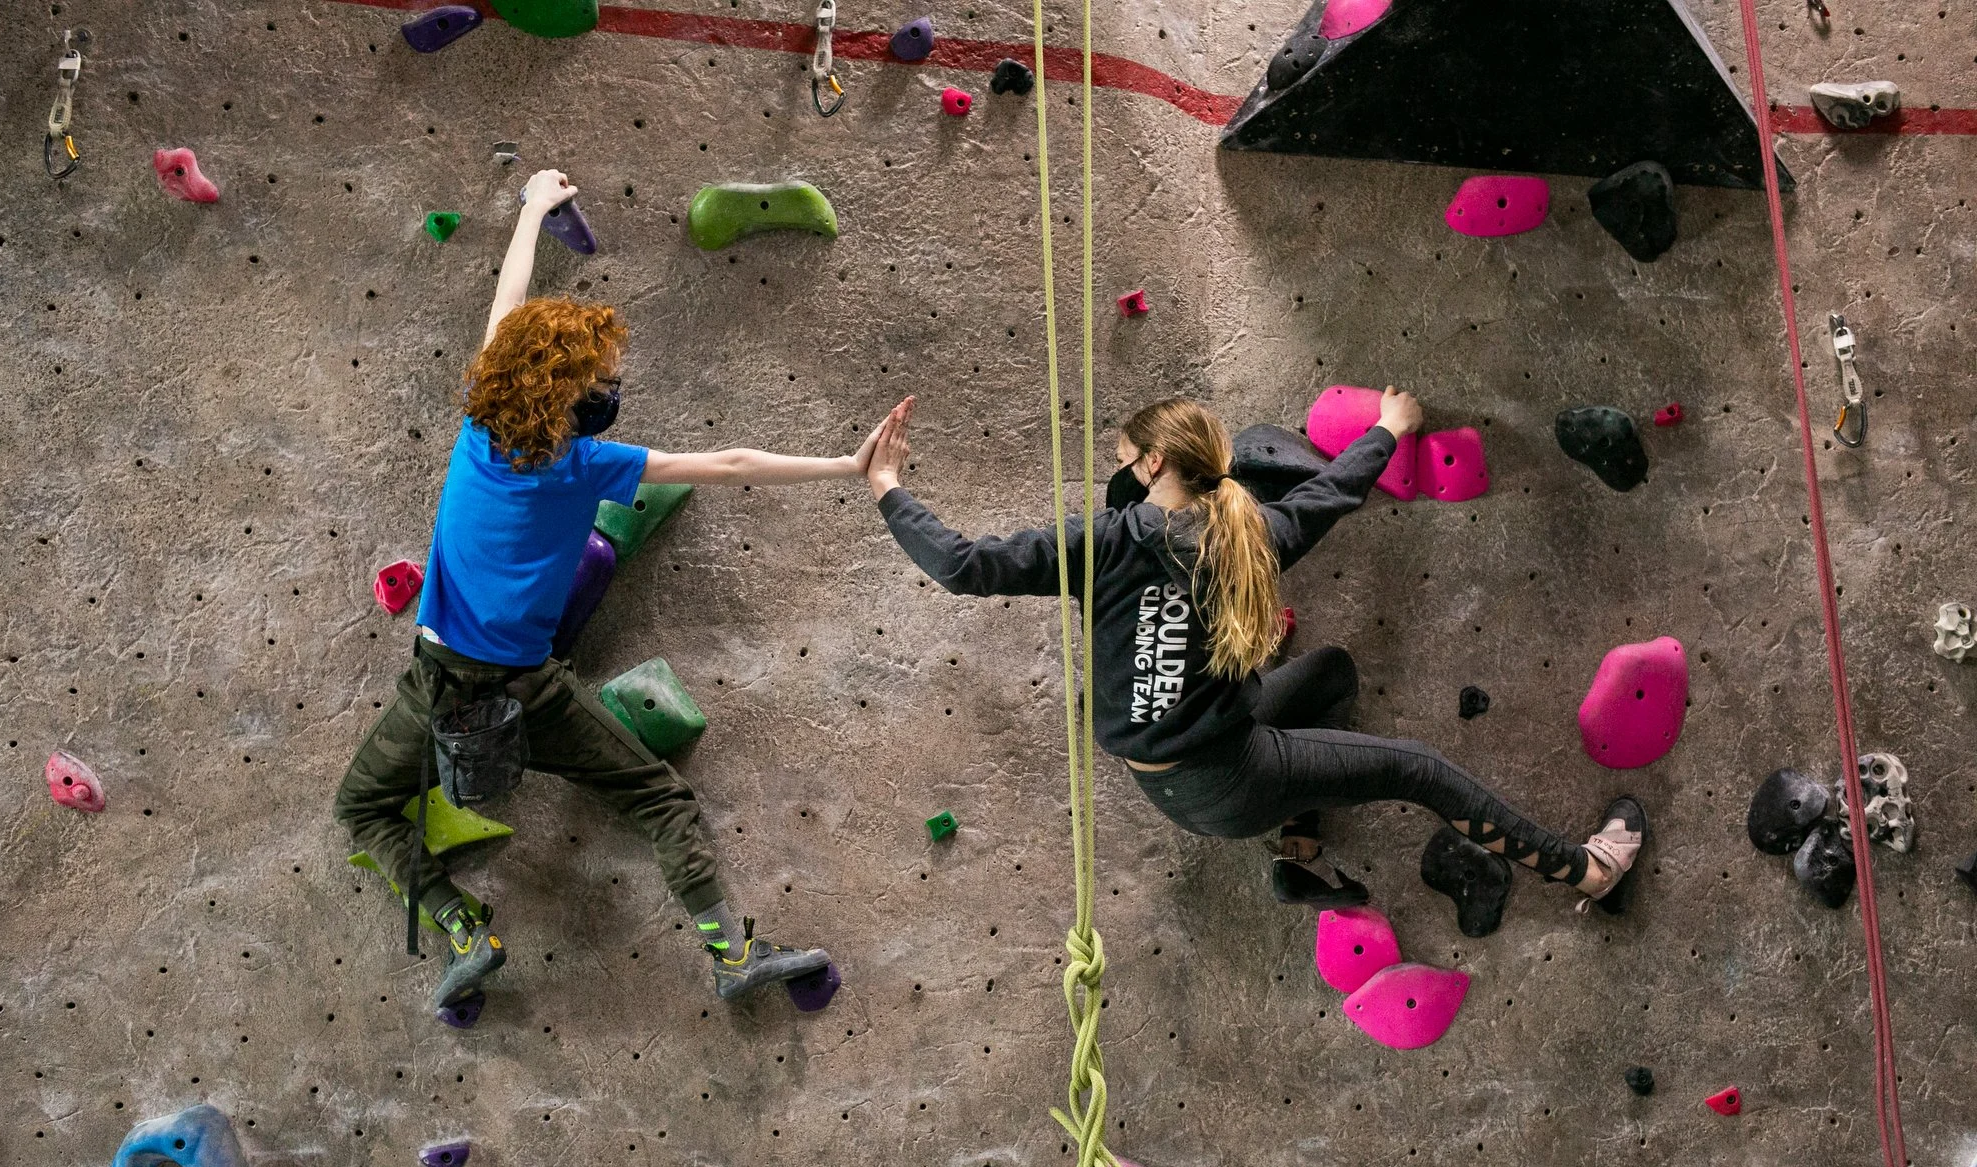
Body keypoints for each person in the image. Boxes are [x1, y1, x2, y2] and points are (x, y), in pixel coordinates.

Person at [336, 169, 858, 1017]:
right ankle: (730, 954)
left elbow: (508, 308)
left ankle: (464, 930)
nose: (612, 391)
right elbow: (728, 465)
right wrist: (846, 465)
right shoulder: (593, 464)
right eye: (602, 382)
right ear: (570, 401)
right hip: (530, 691)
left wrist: (534, 209)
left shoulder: (478, 431)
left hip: (435, 686)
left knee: (362, 808)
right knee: (658, 796)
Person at [858, 391, 1646, 913]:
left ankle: (1300, 847)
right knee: (1418, 768)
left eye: (1129, 459)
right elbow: (1328, 493)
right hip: (1227, 778)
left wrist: (890, 485)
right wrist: (1389, 426)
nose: (1125, 472)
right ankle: (1588, 871)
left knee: (1332, 672)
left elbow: (962, 565)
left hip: (1176, 774)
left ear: (1156, 464)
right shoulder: (1255, 537)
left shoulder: (1098, 543)